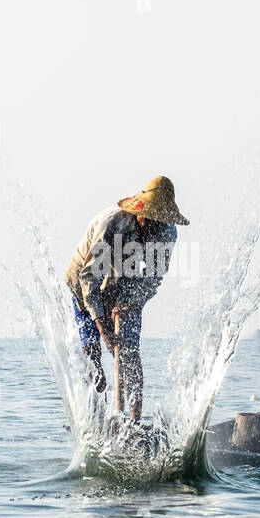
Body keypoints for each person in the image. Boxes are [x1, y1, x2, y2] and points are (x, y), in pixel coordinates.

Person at [65, 175, 188, 421]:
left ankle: (134, 423)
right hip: (85, 285)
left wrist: (135, 303)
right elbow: (88, 277)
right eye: (150, 220)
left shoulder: (167, 233)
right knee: (92, 354)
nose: (154, 227)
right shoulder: (112, 226)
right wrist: (102, 327)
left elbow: (154, 277)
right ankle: (96, 420)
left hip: (124, 284)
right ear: (138, 212)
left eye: (160, 221)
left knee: (130, 353)